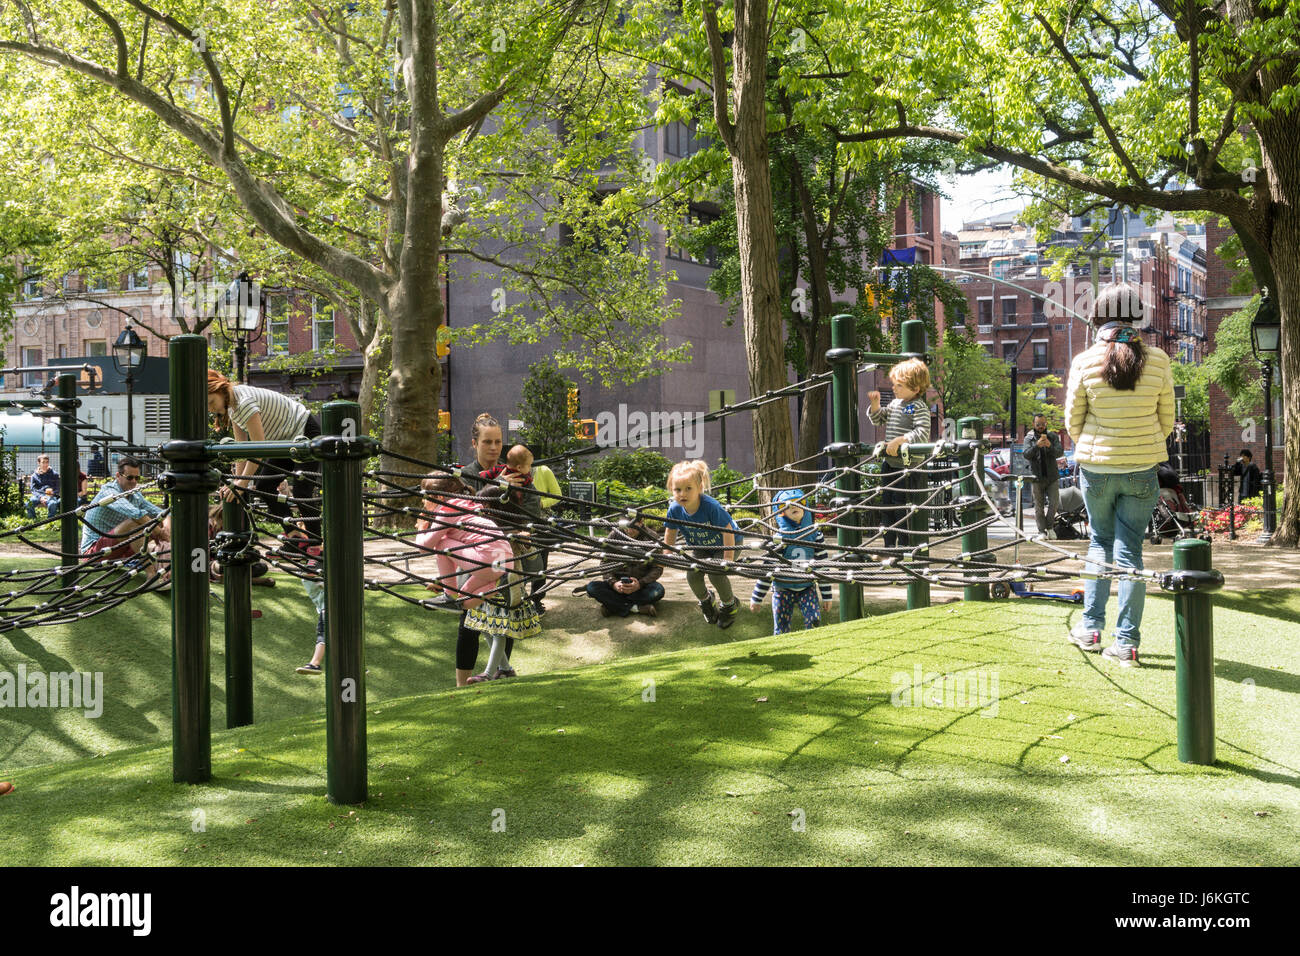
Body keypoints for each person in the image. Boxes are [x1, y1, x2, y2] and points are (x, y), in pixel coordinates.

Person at [1064, 283, 1175, 668]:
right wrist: (1141, 444)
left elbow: (1073, 423)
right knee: (1131, 552)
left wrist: (1098, 447)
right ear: (1138, 317)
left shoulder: (1084, 361)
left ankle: (1091, 629)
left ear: (1097, 317)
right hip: (1142, 469)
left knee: (1099, 544)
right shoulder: (1158, 360)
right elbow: (1167, 421)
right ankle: (1126, 644)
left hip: (1096, 470)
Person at [417, 472, 541, 685]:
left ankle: (449, 595)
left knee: (441, 544)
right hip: (500, 564)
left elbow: (423, 546)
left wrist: (422, 527)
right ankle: (484, 592)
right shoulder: (468, 505)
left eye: (424, 496)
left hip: (489, 564)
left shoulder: (448, 509)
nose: (422, 501)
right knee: (467, 606)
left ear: (437, 497)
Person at [206, 371, 321, 538]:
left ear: (220, 390)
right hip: (284, 440)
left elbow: (257, 450)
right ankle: (295, 536)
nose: (211, 409)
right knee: (264, 487)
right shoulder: (233, 407)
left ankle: (317, 543)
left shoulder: (243, 403)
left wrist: (242, 483)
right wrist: (237, 483)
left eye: (211, 402)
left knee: (302, 491)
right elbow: (241, 449)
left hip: (303, 430)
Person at [663, 459, 741, 628]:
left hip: (727, 544)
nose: (682, 494)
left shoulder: (710, 506)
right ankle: (706, 601)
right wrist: (666, 554)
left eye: (688, 489)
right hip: (701, 547)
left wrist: (728, 557)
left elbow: (728, 531)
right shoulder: (674, 509)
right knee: (692, 574)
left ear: (699, 488)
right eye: (678, 490)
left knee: (716, 572)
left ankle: (729, 605)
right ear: (672, 490)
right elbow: (670, 531)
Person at [866, 358, 933, 549]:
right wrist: (876, 405)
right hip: (890, 464)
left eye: (899, 385)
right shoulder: (896, 404)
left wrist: (900, 439)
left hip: (907, 466)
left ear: (916, 388)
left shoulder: (918, 407)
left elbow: (921, 433)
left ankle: (904, 548)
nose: (894, 388)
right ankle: (889, 548)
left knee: (901, 508)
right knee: (887, 507)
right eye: (894, 384)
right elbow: (879, 419)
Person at [749, 489, 832, 634]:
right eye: (786, 506)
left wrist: (827, 596)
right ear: (781, 513)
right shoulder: (780, 538)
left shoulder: (815, 535)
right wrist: (757, 598)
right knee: (781, 628)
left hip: (807, 587)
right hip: (783, 588)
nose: (794, 506)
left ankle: (813, 644)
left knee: (814, 621)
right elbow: (768, 569)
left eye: (799, 502)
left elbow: (822, 567)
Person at [80, 456, 171, 569]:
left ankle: (167, 567)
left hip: (120, 549)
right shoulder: (109, 491)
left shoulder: (135, 495)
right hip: (94, 554)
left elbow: (164, 513)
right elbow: (135, 514)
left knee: (159, 523)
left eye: (137, 478)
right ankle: (151, 574)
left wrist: (166, 528)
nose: (134, 482)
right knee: (135, 524)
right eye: (129, 477)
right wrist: (160, 533)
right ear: (118, 476)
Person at [585, 521, 664, 617]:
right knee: (592, 587)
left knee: (658, 590)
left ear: (641, 522)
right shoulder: (614, 534)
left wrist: (640, 584)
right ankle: (635, 608)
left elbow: (658, 568)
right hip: (617, 587)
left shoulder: (652, 537)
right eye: (626, 527)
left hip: (640, 587)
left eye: (633, 527)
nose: (629, 531)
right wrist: (614, 583)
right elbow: (604, 563)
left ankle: (613, 605)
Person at [1022, 412, 1064, 539]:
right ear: (1034, 424)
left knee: (1054, 503)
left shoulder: (1052, 436)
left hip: (1052, 476)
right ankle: (1042, 531)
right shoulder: (1029, 438)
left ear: (1046, 423)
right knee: (1039, 507)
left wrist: (1049, 446)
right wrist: (1037, 446)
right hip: (1036, 477)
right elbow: (1026, 454)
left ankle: (1050, 527)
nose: (1041, 426)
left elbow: (1059, 452)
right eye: (1038, 424)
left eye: (1043, 424)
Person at [26, 455, 60, 520]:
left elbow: (57, 488)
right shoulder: (34, 475)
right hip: (38, 496)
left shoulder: (54, 474)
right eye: (43, 462)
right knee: (28, 503)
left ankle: (50, 521)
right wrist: (41, 497)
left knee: (53, 503)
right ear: (39, 463)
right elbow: (33, 489)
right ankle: (33, 520)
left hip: (50, 496)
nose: (45, 464)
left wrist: (52, 494)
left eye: (47, 462)